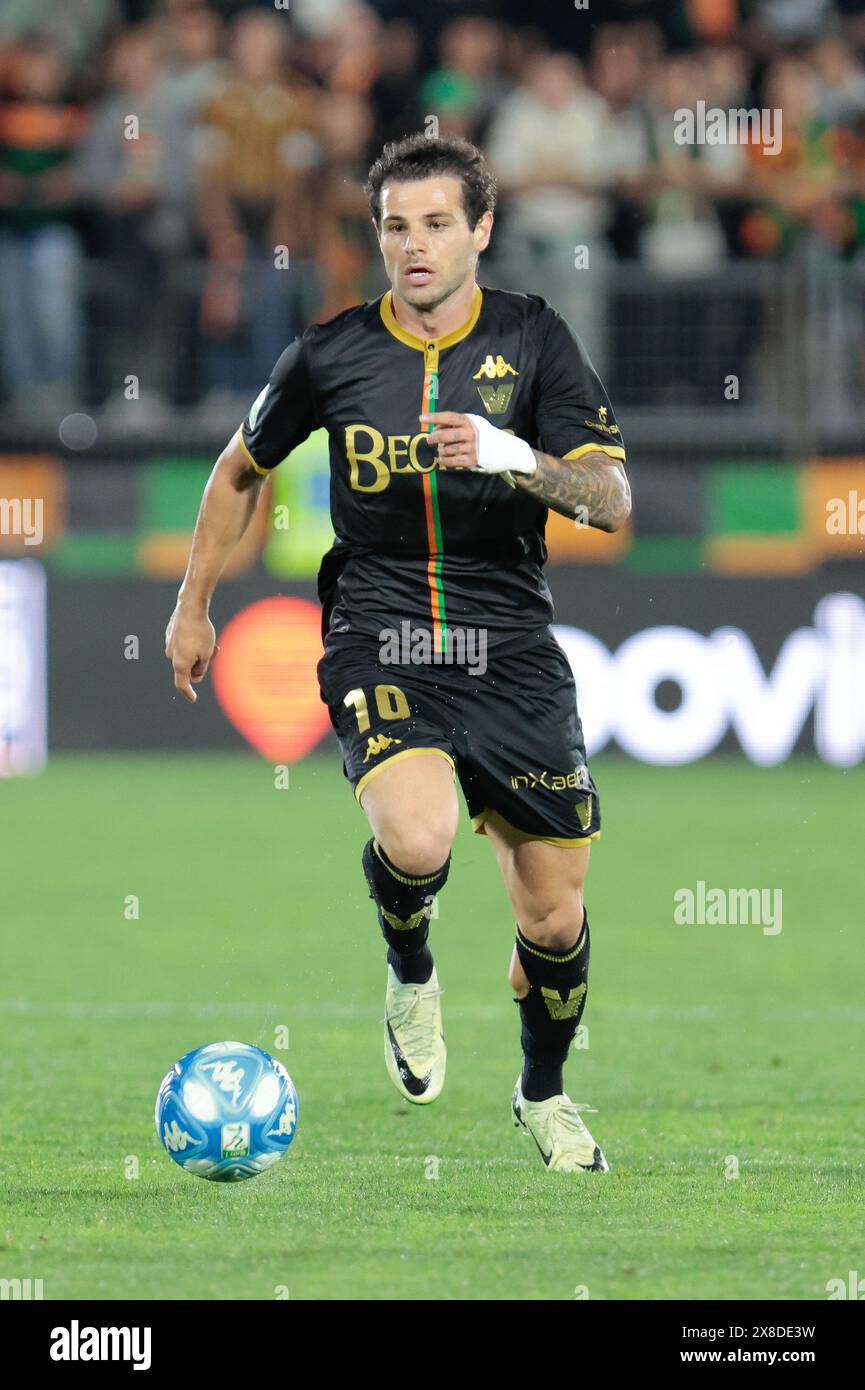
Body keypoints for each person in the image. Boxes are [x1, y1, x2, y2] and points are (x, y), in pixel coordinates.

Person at [165, 134, 631, 1173]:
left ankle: (544, 1094)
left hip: (511, 647)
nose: (412, 247)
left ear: (480, 231)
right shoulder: (331, 353)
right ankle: (410, 964)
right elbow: (239, 469)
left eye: (433, 224)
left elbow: (610, 499)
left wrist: (515, 455)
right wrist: (193, 605)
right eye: (393, 226)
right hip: (382, 632)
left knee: (552, 920)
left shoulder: (536, 339)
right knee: (419, 841)